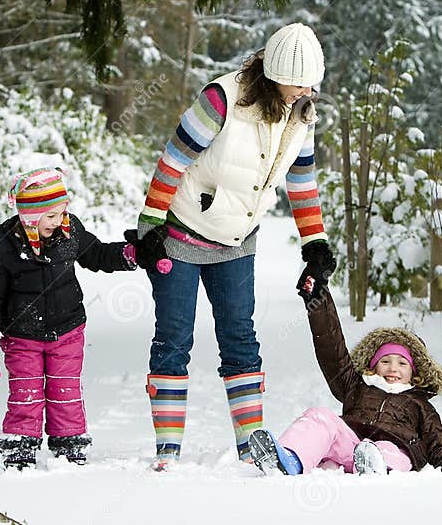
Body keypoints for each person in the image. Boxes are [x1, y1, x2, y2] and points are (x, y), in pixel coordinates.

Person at [127, 23, 337, 469]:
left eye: (312, 82)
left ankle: (250, 447)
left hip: (237, 240)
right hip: (182, 232)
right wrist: (149, 226)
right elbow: (174, 158)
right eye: (300, 81)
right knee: (173, 338)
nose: (308, 90)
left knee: (241, 339)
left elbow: (302, 182)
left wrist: (314, 244)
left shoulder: (302, 114)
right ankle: (167, 451)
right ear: (276, 72)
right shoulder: (221, 99)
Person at [0, 168, 138, 469]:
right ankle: (20, 445)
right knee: (26, 391)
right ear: (30, 217)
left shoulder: (69, 231)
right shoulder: (3, 248)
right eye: (50, 216)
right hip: (22, 335)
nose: (58, 221)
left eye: (62, 213)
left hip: (67, 328)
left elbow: (97, 254)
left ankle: (69, 443)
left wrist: (130, 254)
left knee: (66, 389)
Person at [248, 276, 442, 475]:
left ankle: (375, 467)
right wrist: (318, 299)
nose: (392, 368)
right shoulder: (357, 387)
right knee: (319, 415)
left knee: (388, 451)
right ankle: (289, 459)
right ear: (373, 366)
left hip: (395, 450)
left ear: (415, 373)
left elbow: (434, 443)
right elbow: (332, 350)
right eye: (385, 361)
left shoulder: (420, 404)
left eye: (402, 363)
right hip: (352, 445)